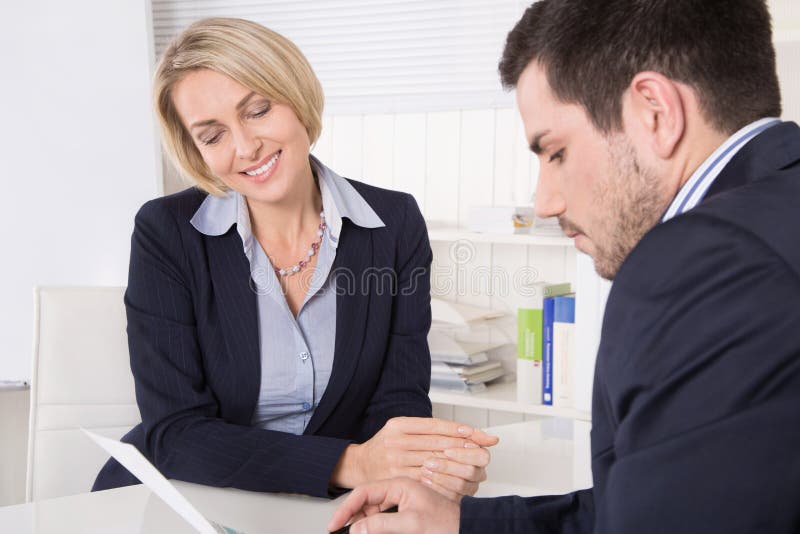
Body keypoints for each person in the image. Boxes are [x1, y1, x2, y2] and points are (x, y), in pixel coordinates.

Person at [328, 0, 800, 532]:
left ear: (656, 113)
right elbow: (667, 498)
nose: (545, 201)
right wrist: (456, 524)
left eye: (555, 153)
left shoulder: (701, 260)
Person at [92, 17, 498, 499]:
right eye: (212, 135)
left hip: (327, 506)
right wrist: (352, 464)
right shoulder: (167, 234)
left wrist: (422, 467)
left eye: (258, 110)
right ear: (196, 152)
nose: (245, 147)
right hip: (184, 499)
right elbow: (176, 434)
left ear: (297, 96)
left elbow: (398, 401)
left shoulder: (393, 223)